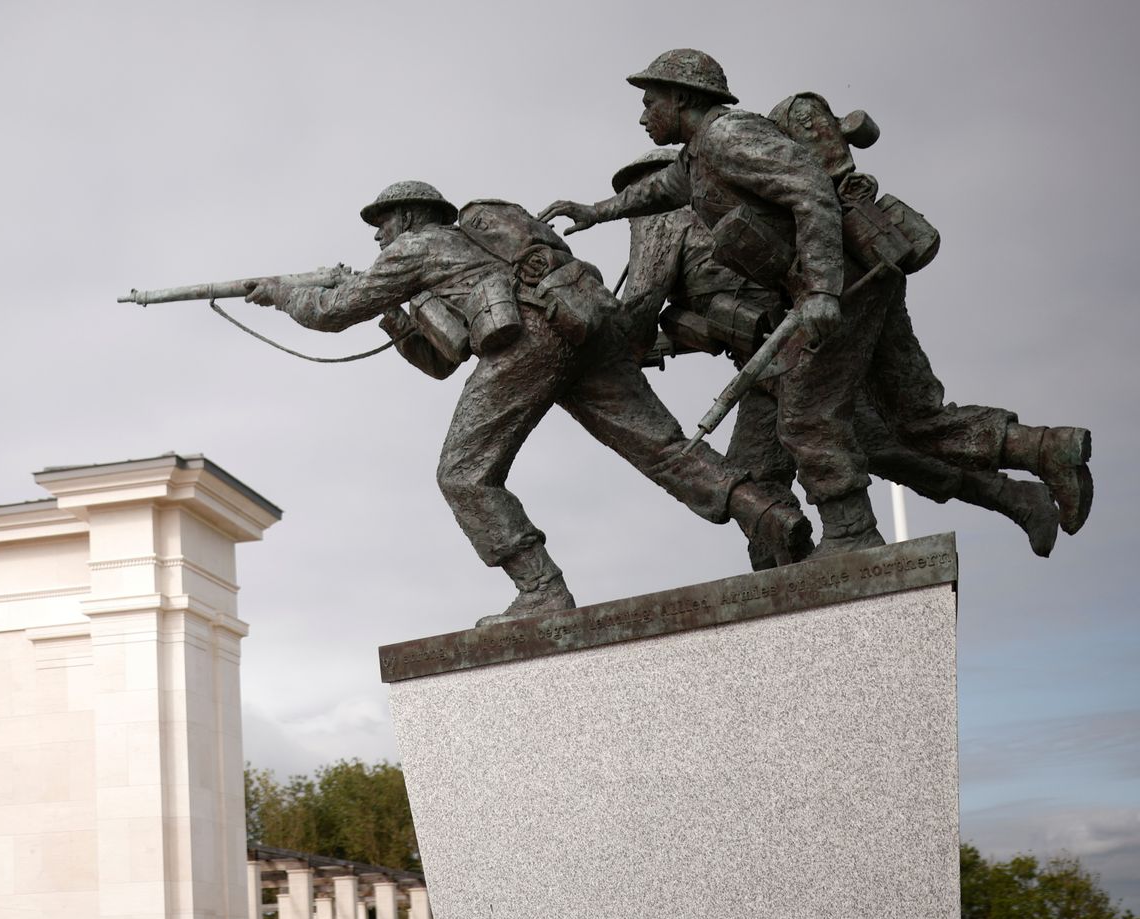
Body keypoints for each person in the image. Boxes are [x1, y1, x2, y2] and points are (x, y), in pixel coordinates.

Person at [243, 180, 812, 625]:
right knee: (661, 448)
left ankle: (541, 590)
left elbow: (332, 313)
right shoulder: (471, 249)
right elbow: (442, 360)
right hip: (580, 326)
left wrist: (284, 294)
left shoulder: (417, 246)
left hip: (530, 341)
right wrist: (395, 315)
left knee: (464, 476)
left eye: (383, 223)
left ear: (413, 217)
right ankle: (766, 512)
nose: (377, 237)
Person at [610, 148, 1066, 561]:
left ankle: (811, 574)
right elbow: (722, 311)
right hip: (780, 361)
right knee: (818, 466)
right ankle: (1014, 497)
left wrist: (607, 346)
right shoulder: (722, 210)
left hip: (787, 360)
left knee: (773, 484)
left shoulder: (660, 222)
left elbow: (638, 311)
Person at [542, 49, 884, 556]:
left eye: (649, 101)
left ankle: (854, 538)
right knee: (904, 425)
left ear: (681, 97)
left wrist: (820, 290)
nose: (642, 115)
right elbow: (660, 190)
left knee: (809, 420)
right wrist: (596, 212)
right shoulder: (699, 154)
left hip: (840, 288)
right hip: (823, 294)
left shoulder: (727, 136)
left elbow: (810, 190)